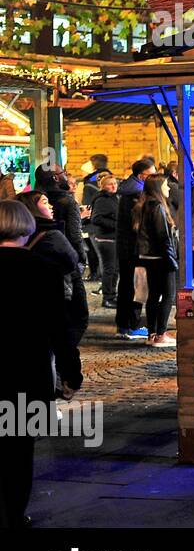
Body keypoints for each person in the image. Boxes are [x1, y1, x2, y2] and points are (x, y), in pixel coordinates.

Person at [0, 201, 80, 529]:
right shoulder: (43, 270)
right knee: (19, 451)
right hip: (26, 374)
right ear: (27, 227)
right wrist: (70, 374)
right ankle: (14, 514)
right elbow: (60, 330)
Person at [15, 191, 90, 354]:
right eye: (44, 202)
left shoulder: (20, 234)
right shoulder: (52, 235)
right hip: (60, 292)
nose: (51, 206)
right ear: (32, 208)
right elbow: (71, 259)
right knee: (69, 328)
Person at [134, 174, 178, 346]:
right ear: (158, 188)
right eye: (166, 185)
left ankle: (152, 334)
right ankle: (161, 334)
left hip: (147, 257)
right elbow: (163, 236)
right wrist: (172, 259)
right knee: (168, 294)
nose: (168, 188)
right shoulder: (157, 206)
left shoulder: (142, 205)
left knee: (153, 295)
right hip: (161, 257)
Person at [115, 159, 156, 340]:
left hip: (126, 248)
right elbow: (138, 226)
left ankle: (124, 325)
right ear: (142, 176)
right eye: (152, 174)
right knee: (135, 286)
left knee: (126, 285)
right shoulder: (137, 193)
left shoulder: (128, 189)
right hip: (134, 249)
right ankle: (131, 325)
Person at [34, 164, 86, 273]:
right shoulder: (68, 202)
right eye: (64, 173)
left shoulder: (32, 201)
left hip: (39, 256)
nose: (66, 177)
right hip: (65, 257)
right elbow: (74, 234)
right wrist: (81, 258)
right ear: (56, 178)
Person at [89, 173, 120, 309]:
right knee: (109, 269)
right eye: (110, 184)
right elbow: (96, 218)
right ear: (103, 186)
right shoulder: (102, 199)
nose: (113, 186)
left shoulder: (113, 197)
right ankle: (107, 298)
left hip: (113, 238)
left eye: (115, 183)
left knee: (114, 270)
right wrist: (116, 224)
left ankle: (112, 294)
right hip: (106, 239)